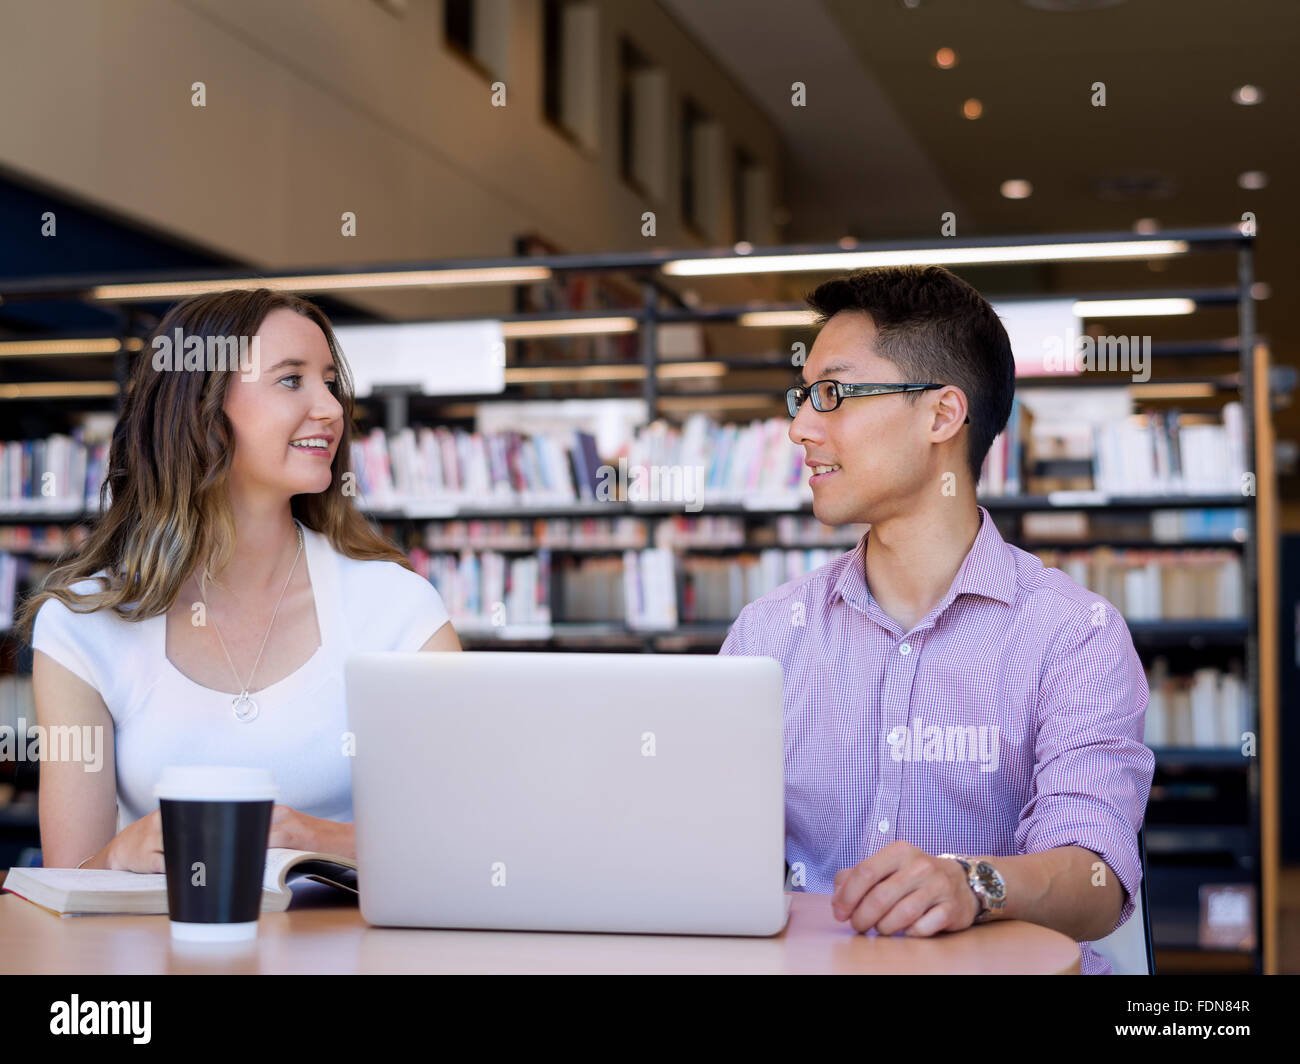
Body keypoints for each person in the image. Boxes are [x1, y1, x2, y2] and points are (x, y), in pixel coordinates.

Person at [719, 265, 1153, 974]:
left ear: (943, 415)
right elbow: (709, 852)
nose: (799, 427)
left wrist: (975, 885)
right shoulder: (768, 634)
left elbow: (1098, 878)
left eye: (832, 394)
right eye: (803, 397)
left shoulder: (1075, 637)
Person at [18, 288, 460, 873]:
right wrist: (121, 857)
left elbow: (469, 839)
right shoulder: (84, 625)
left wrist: (317, 840)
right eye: (290, 380)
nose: (330, 408)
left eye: (330, 381)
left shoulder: (400, 609)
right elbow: (68, 885)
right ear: (199, 406)